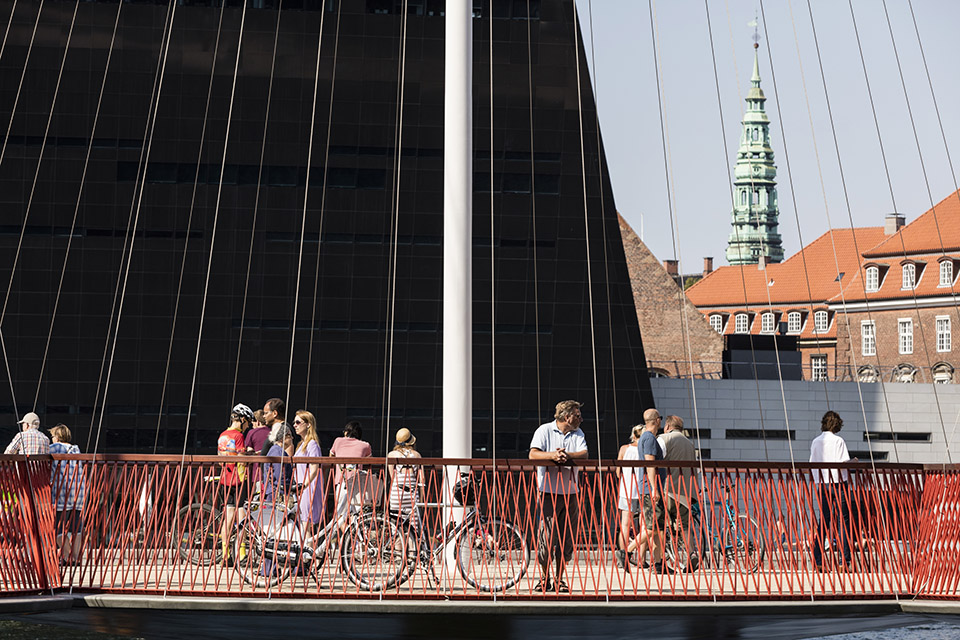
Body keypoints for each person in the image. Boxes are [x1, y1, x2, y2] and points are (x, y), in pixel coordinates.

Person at [529, 400, 588, 593]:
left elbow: (584, 454)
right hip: (547, 492)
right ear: (566, 416)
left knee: (566, 539)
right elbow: (533, 455)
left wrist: (565, 456)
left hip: (571, 493)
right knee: (546, 537)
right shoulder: (544, 430)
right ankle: (545, 578)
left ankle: (559, 579)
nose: (580, 419)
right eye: (577, 415)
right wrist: (553, 457)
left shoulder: (578, 433)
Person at [810, 410, 854, 571]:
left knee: (824, 522)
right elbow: (844, 462)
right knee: (844, 521)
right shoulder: (838, 441)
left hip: (822, 484)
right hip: (838, 484)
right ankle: (844, 562)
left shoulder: (815, 441)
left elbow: (812, 464)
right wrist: (853, 462)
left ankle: (818, 560)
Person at [660, 415, 699, 569]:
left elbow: (654, 460)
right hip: (686, 490)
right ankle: (692, 554)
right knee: (685, 525)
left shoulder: (664, 439)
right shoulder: (689, 444)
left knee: (661, 523)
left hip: (669, 488)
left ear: (668, 426)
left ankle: (661, 558)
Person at [217, 403, 253, 565]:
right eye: (248, 422)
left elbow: (220, 459)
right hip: (239, 480)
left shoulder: (223, 435)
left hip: (225, 479)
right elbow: (241, 458)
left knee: (228, 518)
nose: (247, 426)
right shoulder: (238, 436)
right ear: (243, 419)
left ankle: (225, 555)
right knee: (241, 517)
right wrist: (249, 454)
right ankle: (242, 554)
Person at [637, 408, 669, 574]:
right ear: (657, 420)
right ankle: (626, 551)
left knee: (658, 527)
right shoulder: (649, 438)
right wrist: (655, 488)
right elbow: (650, 465)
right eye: (660, 418)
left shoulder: (646, 437)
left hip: (650, 488)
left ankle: (658, 564)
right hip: (651, 489)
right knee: (653, 527)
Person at [49, 424, 85, 566]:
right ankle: (75, 559)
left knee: (55, 527)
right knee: (77, 527)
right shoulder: (76, 448)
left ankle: (66, 554)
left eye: (52, 436)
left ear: (57, 437)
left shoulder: (55, 448)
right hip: (78, 491)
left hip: (61, 492)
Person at [329, 421, 373, 528]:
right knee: (358, 515)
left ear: (346, 432)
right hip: (357, 483)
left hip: (341, 482)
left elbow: (331, 457)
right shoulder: (365, 445)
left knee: (339, 516)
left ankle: (348, 535)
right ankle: (356, 540)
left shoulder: (338, 441)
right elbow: (369, 460)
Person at [615, 425, 644, 571]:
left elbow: (618, 471)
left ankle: (623, 553)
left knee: (625, 525)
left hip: (626, 490)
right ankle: (641, 558)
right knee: (644, 525)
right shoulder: (644, 449)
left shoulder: (624, 449)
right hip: (643, 490)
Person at [293, 410, 324, 532]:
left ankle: (307, 551)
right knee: (303, 526)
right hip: (301, 489)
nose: (295, 425)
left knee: (305, 527)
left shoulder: (312, 445)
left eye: (298, 422)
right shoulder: (302, 444)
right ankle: (307, 550)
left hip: (307, 489)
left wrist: (303, 486)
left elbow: (314, 470)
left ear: (308, 424)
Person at [387, 428, 422, 532]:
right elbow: (422, 478)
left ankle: (398, 548)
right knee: (413, 530)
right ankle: (412, 548)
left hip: (397, 493)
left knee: (397, 529)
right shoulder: (417, 455)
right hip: (411, 494)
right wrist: (422, 497)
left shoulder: (392, 455)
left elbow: (391, 476)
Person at [262, 424, 295, 505]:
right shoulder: (278, 451)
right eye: (289, 435)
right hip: (278, 493)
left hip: (274, 491)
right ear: (282, 437)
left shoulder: (275, 450)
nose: (292, 438)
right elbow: (281, 475)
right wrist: (287, 488)